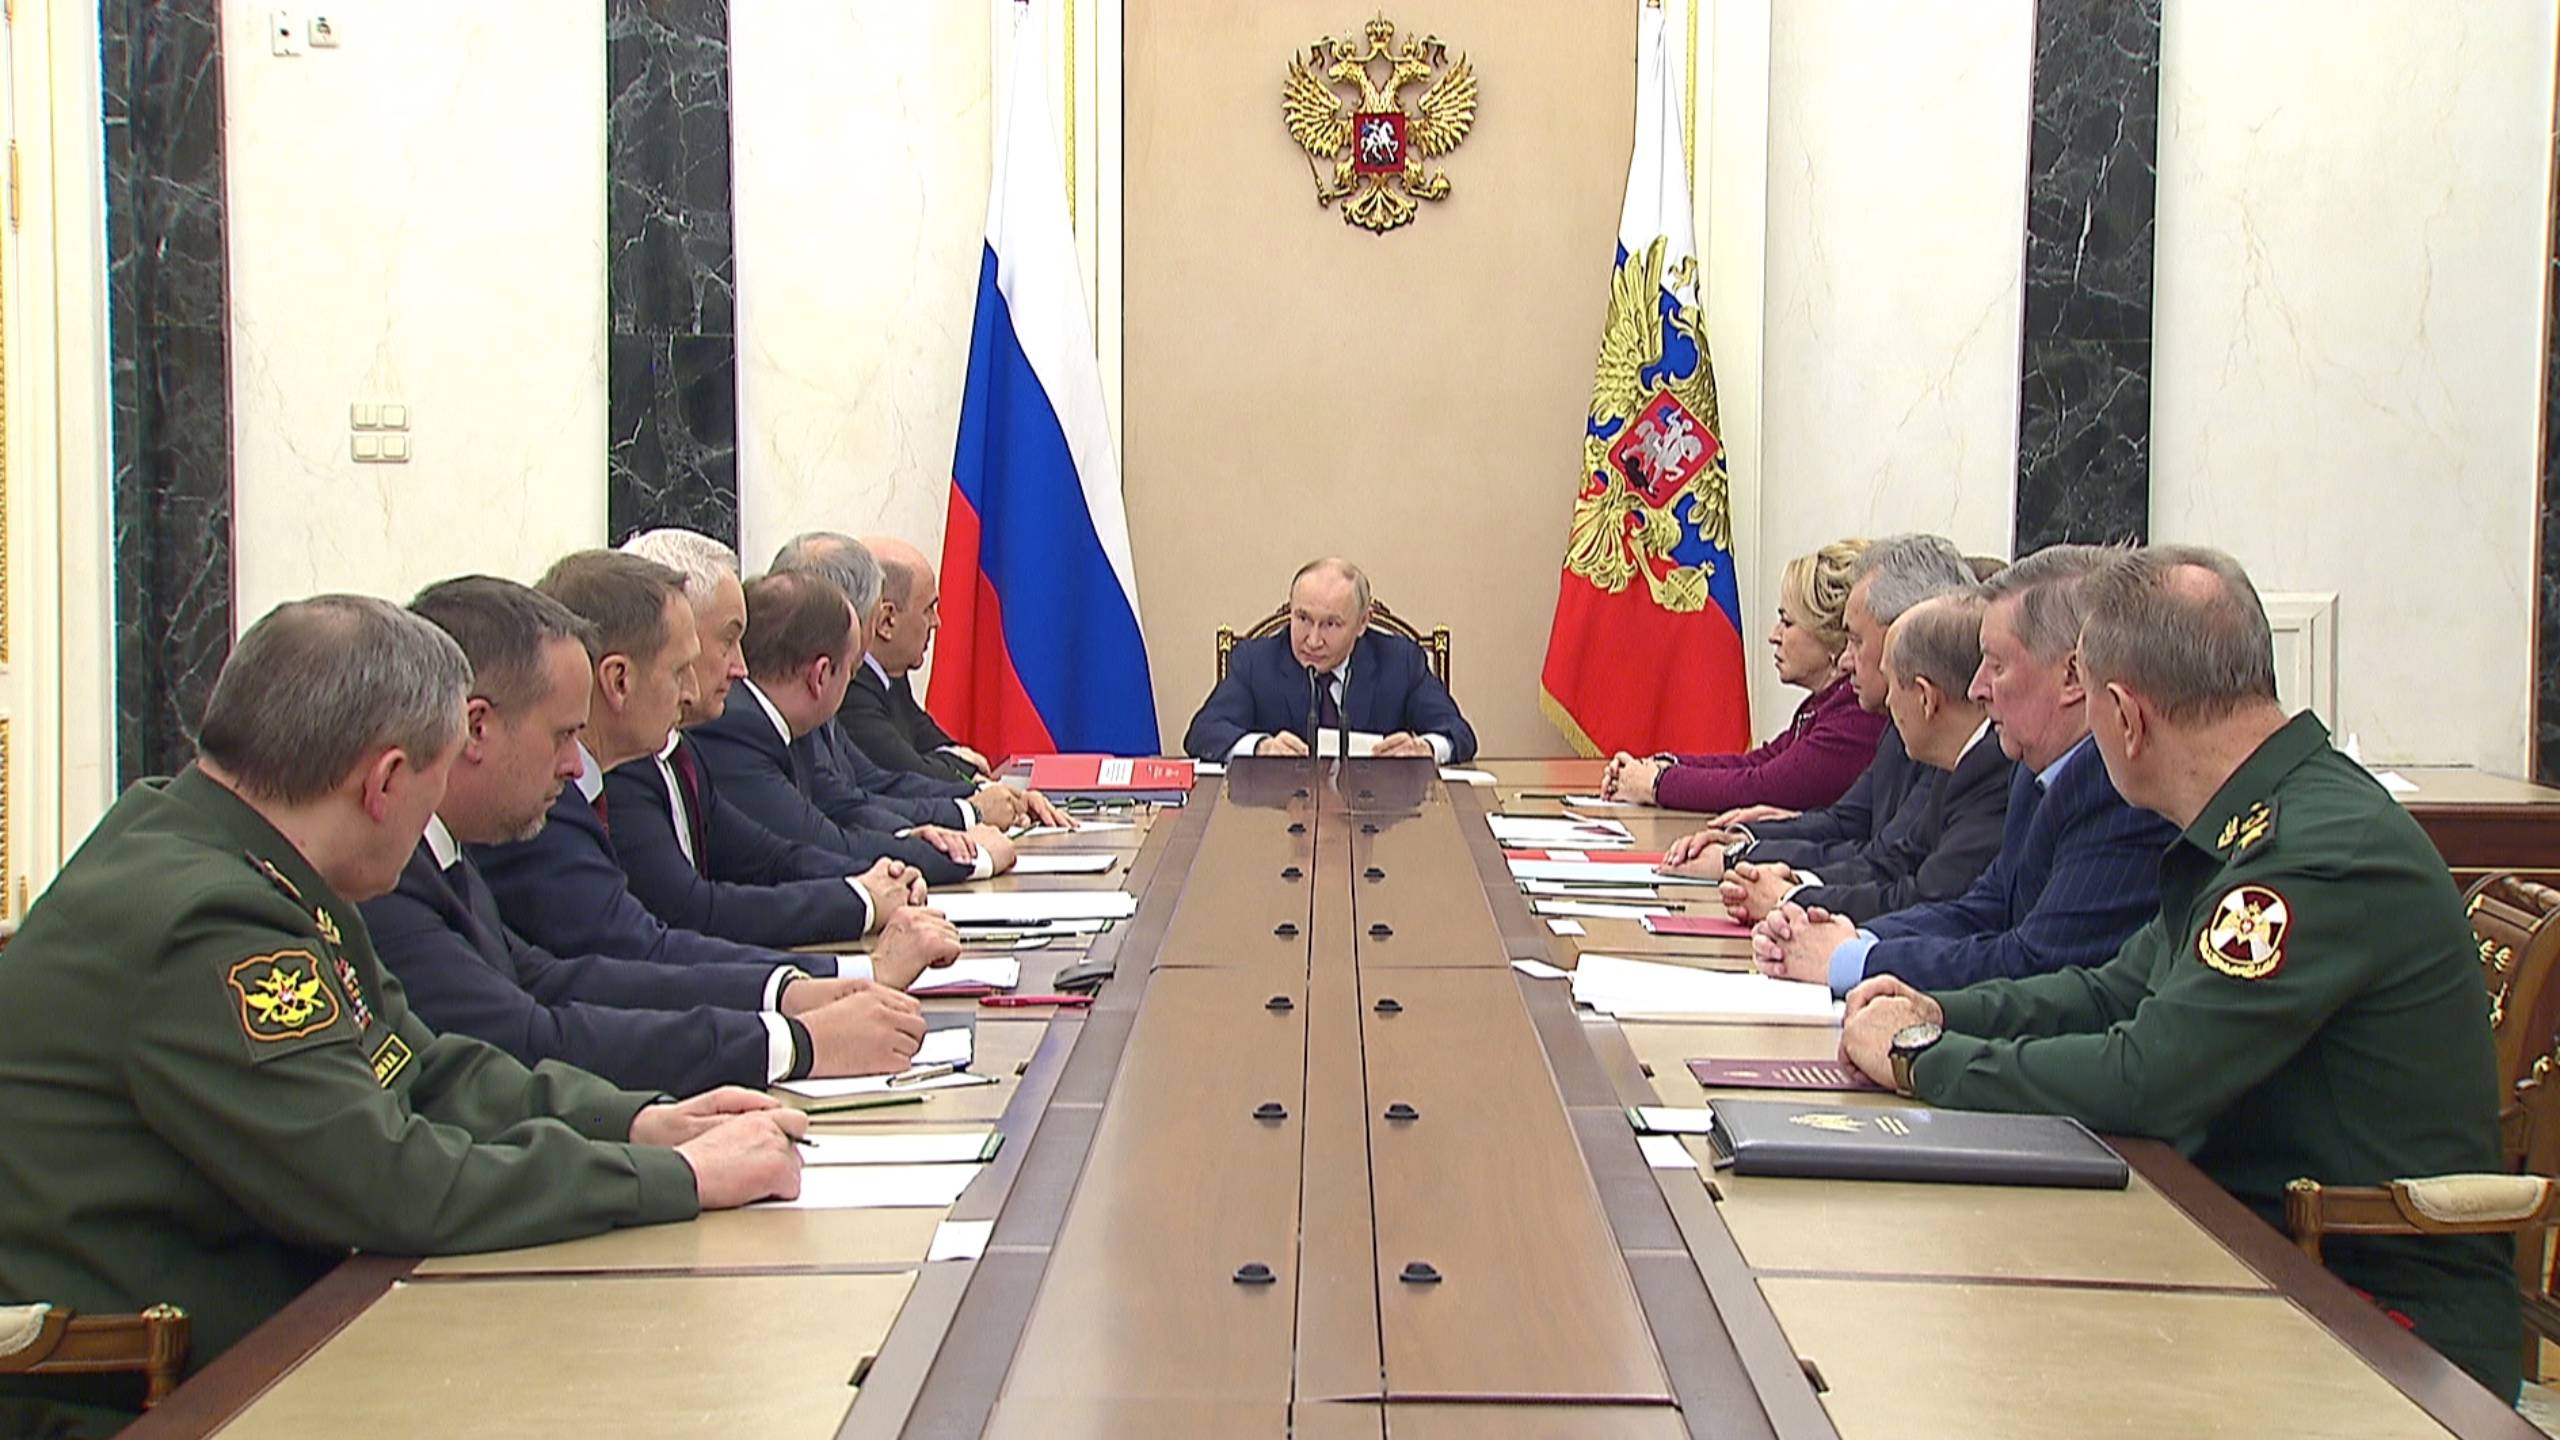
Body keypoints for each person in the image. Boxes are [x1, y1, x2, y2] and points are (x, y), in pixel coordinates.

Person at [0, 597, 804, 1436]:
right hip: (152, 1397)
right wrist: (678, 1180)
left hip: (276, 1347)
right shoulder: (210, 920)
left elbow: (422, 1070)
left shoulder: (247, 862)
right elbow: (384, 1180)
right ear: (385, 781)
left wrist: (638, 1124)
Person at [1838, 546, 2521, 1400]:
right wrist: (1942, 1011)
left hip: (2368, 1312)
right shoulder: (2252, 823)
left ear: (2125, 717)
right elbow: (2110, 991)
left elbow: (2149, 1077)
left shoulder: (2309, 856)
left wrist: (1921, 1059)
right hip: (2236, 1242)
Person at [362, 577, 949, 1095]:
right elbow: (534, 1029)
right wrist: (791, 1040)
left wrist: (791, 993)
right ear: (475, 728)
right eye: (562, 735)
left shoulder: (444, 847)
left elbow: (550, 979)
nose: (572, 765)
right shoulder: (388, 876)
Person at [1751, 545, 2174, 996]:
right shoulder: (2034, 769)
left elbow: (2036, 961)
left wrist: (1854, 960)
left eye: (1997, 665)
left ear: (2072, 676)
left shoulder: (2114, 791)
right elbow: (1983, 907)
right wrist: (1858, 940)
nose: (1976, 688)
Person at [471, 551, 919, 962]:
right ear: (619, 680)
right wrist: (843, 960)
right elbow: (669, 926)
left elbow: (766, 856)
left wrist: (877, 884)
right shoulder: (558, 796)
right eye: (680, 667)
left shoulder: (670, 752)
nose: (738, 670)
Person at [1661, 533, 1975, 884]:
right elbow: (1847, 821)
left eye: (1855, 641)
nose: (1845, 659)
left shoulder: (1952, 749)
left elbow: (1886, 863)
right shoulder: (1892, 723)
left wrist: (1743, 859)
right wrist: (1748, 840)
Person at [697, 570, 1019, 881]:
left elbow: (843, 804)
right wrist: (972, 857)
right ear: (821, 676)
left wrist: (911, 836)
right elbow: (820, 844)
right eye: (852, 671)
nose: (738, 668)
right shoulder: (736, 728)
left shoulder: (788, 725)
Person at [1716, 591, 2013, 924]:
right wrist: (1795, 883)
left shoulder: (1992, 771)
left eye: (1892, 684)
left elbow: (1927, 898)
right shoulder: (1958, 762)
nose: (1888, 702)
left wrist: (1788, 898)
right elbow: (1894, 864)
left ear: (1926, 698)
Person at [763, 532, 1071, 831]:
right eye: (929, 609)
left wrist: (985, 798)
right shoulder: (768, 724)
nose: (937, 622)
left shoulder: (854, 692)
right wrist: (972, 814)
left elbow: (876, 783)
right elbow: (842, 814)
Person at [1606, 540, 1887, 812]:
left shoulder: (1858, 714)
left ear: (1834, 638)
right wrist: (1661, 767)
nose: (1774, 636)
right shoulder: (1828, 703)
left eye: (1787, 622)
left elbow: (1764, 788)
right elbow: (1760, 762)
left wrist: (1657, 784)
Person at [1182, 557, 1475, 763]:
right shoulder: (1256, 662)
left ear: (1362, 622)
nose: (1313, 640)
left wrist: (1425, 748)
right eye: (1303, 618)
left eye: (1331, 624)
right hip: (1280, 820)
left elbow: (1459, 734)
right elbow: (1203, 734)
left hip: (1377, 820)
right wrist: (1261, 747)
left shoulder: (1400, 662)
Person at [834, 532, 992, 783]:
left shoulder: (891, 670)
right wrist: (965, 772)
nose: (936, 622)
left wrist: (955, 756)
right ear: (887, 621)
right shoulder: (849, 687)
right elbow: (906, 770)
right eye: (928, 609)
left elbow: (923, 734)